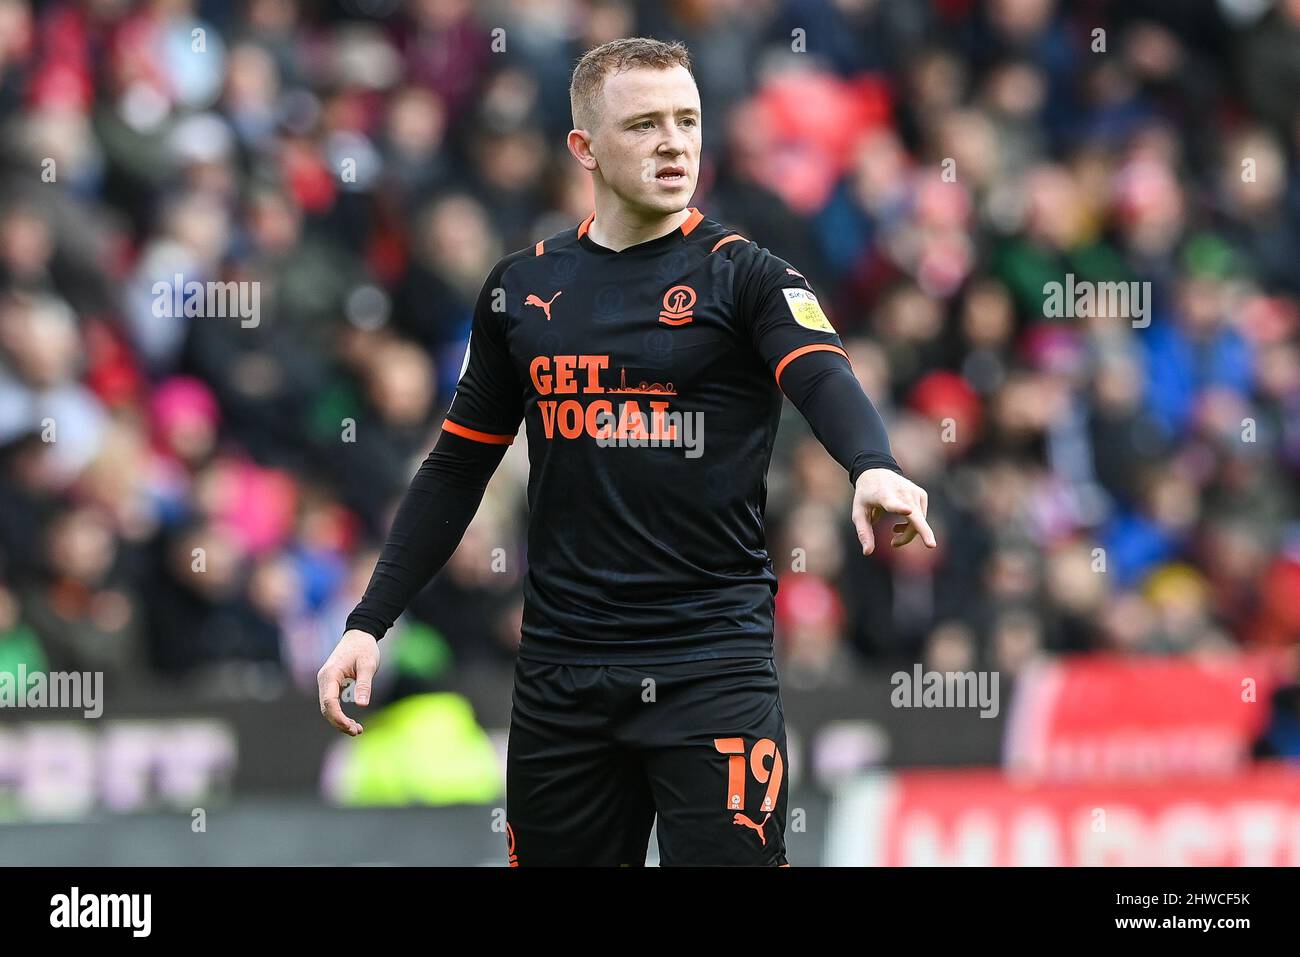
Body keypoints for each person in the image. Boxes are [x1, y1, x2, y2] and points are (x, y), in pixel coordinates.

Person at [316, 37, 935, 866]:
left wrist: (874, 464)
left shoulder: (745, 276)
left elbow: (822, 372)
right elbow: (457, 465)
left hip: (711, 669)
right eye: (644, 125)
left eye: (687, 120)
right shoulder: (521, 290)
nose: (674, 142)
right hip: (562, 679)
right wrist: (370, 619)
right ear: (585, 148)